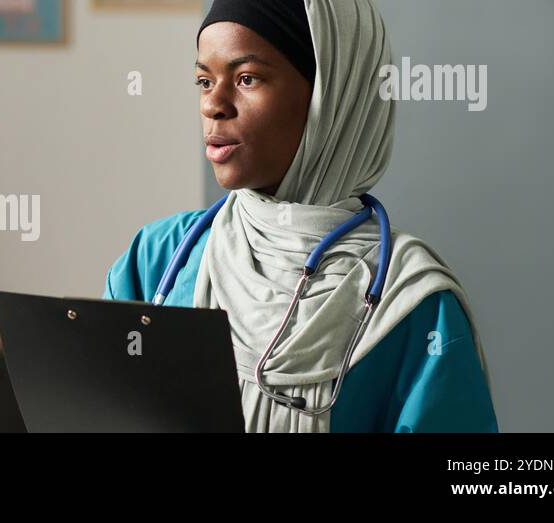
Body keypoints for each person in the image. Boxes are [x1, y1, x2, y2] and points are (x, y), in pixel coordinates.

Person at [103, 0, 497, 432]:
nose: (213, 104)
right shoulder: (158, 258)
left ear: (330, 97)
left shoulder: (413, 306)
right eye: (203, 80)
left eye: (247, 78)